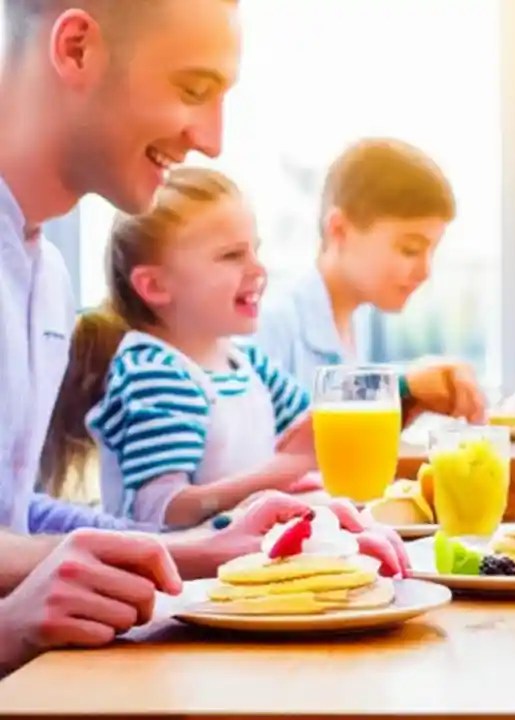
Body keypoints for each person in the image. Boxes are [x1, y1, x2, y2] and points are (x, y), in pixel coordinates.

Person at [0, 0, 404, 675]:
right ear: (75, 49)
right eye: (193, 90)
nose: (213, 141)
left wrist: (204, 546)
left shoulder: (46, 278)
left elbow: (14, 521)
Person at [45, 167, 327, 529]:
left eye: (255, 251)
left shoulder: (247, 364)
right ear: (155, 286)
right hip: (173, 581)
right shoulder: (153, 371)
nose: (258, 269)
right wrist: (283, 470)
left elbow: (312, 435)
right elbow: (162, 510)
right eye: (231, 255)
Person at [254, 137, 485, 424]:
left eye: (432, 251)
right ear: (339, 230)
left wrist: (410, 398)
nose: (425, 271)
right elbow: (298, 433)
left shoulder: (357, 320)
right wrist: (400, 387)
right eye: (410, 249)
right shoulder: (271, 325)